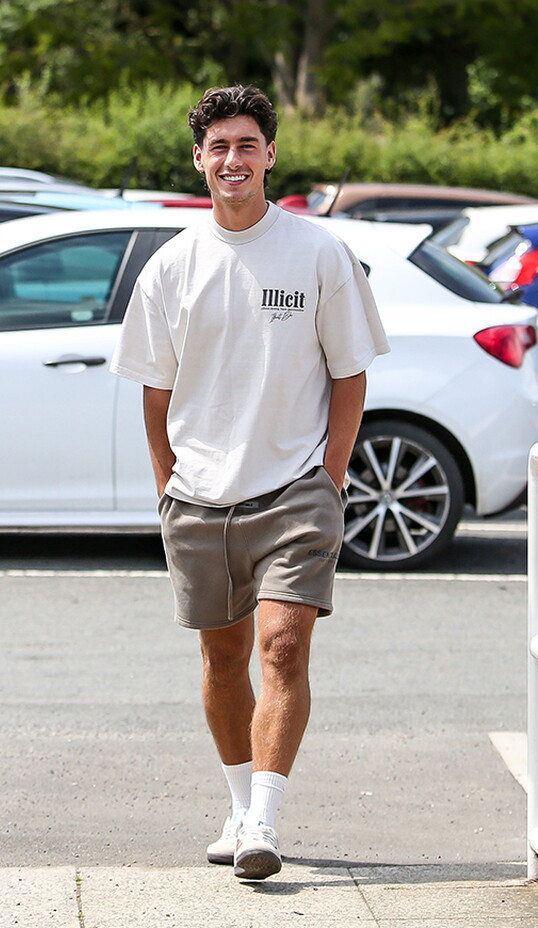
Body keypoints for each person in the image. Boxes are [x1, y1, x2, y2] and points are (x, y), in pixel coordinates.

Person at [109, 85, 390, 881]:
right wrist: (170, 489)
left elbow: (349, 376)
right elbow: (154, 394)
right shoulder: (172, 266)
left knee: (284, 646)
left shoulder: (318, 253)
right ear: (200, 160)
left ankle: (264, 820)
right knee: (222, 659)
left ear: (271, 155)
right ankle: (237, 805)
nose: (233, 159)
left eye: (247, 145)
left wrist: (330, 479)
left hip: (296, 488)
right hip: (199, 495)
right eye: (218, 147)